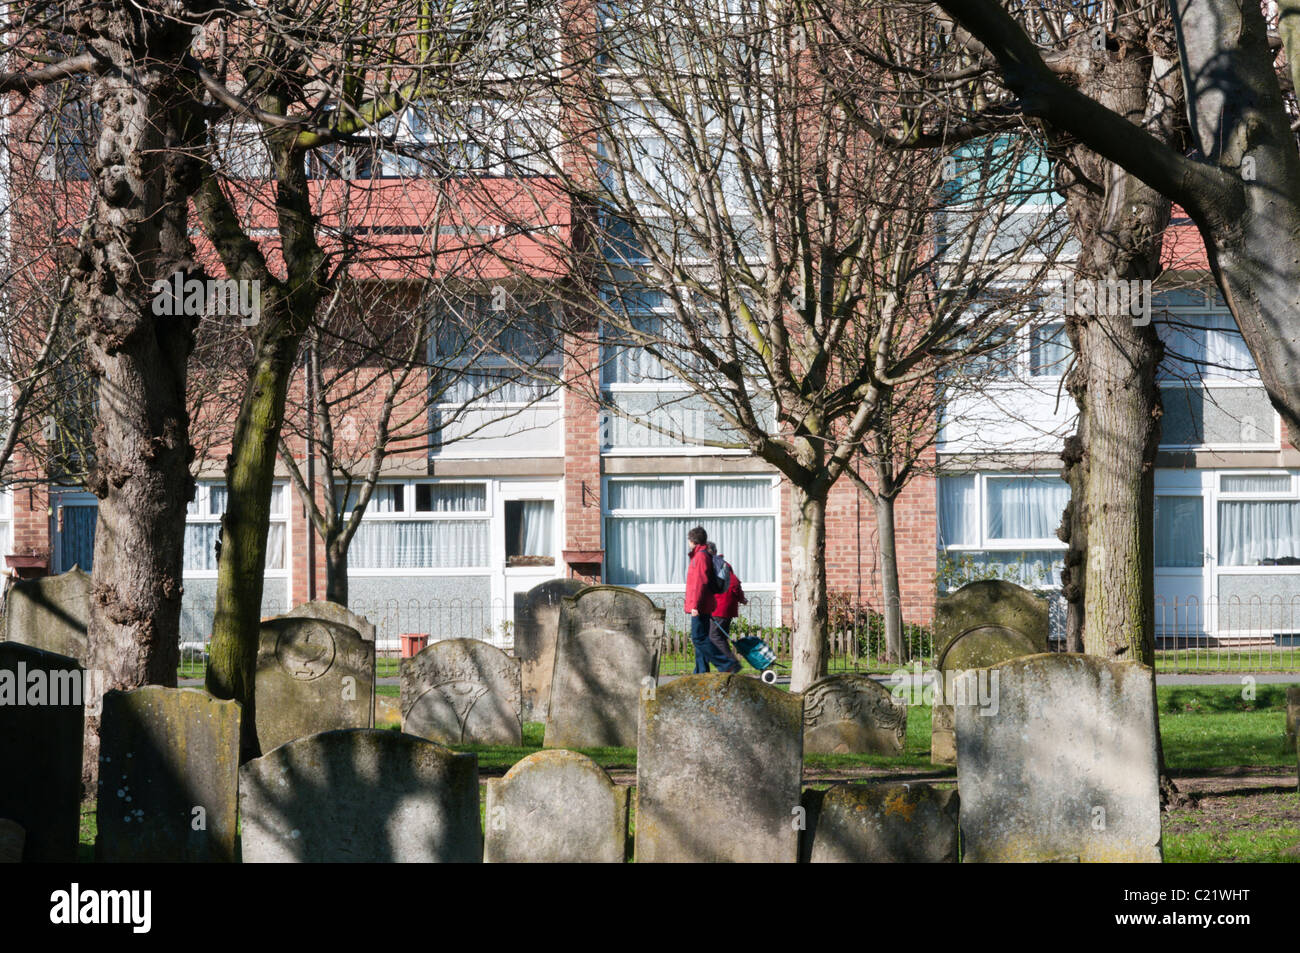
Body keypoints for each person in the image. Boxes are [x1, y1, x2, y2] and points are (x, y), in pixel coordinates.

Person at [684, 526, 738, 673]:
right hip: (705, 604)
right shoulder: (702, 555)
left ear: (693, 540)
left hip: (700, 606)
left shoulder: (700, 557)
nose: (688, 542)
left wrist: (695, 605)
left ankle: (727, 664)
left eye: (689, 540)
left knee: (698, 638)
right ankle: (701, 672)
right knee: (701, 638)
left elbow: (699, 583)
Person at [706, 542, 747, 668]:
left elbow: (734, 583)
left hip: (720, 607)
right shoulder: (718, 563)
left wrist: (741, 598)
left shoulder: (717, 564)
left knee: (714, 635)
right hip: (722, 606)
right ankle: (726, 666)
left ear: (711, 551)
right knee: (721, 637)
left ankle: (731, 664)